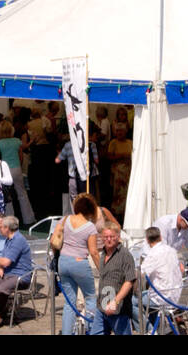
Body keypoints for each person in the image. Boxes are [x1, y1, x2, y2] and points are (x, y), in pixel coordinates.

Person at [52, 194, 101, 334]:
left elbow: (53, 241)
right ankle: (92, 331)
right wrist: (102, 270)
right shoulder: (90, 227)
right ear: (91, 209)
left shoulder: (64, 219)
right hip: (80, 263)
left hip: (63, 262)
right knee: (90, 297)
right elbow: (93, 252)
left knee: (69, 303)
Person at [0, 215, 33, 327]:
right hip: (8, 274)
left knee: (1, 289)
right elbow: (3, 260)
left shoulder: (18, 240)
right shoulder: (9, 240)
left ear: (7, 228)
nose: (0, 229)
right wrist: (0, 267)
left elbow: (7, 261)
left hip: (20, 276)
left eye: (2, 227)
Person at [91, 221, 136, 335]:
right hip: (102, 306)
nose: (109, 239)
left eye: (112, 236)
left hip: (119, 309)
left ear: (118, 237)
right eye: (106, 237)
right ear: (102, 238)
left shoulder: (125, 255)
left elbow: (129, 281)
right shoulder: (103, 254)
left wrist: (115, 301)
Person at [139, 225, 185, 318]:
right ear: (160, 237)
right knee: (146, 294)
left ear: (147, 240)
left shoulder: (152, 254)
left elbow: (141, 274)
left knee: (133, 301)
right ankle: (156, 324)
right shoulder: (171, 250)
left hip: (163, 298)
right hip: (177, 294)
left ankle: (149, 329)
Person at [0, 120, 34, 223]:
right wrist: (18, 166)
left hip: (5, 170)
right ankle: (28, 218)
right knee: (22, 194)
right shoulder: (17, 141)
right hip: (16, 168)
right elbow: (21, 156)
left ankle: (9, 220)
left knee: (7, 195)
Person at [154, 208, 188, 276]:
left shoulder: (186, 228)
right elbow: (162, 249)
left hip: (169, 258)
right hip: (156, 258)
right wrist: (177, 263)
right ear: (181, 219)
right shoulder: (163, 223)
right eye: (187, 224)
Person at [55, 131, 100, 203]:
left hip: (73, 177)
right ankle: (88, 214)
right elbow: (96, 161)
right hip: (88, 177)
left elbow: (57, 160)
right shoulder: (91, 144)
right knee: (89, 199)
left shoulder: (68, 145)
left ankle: (77, 213)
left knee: (75, 200)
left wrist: (61, 152)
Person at [106, 122, 133, 221]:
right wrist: (121, 156)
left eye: (121, 130)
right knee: (117, 196)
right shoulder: (113, 142)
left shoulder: (130, 142)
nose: (119, 133)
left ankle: (127, 217)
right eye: (117, 131)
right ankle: (117, 218)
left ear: (125, 132)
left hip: (128, 173)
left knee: (127, 195)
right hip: (117, 174)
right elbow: (109, 157)